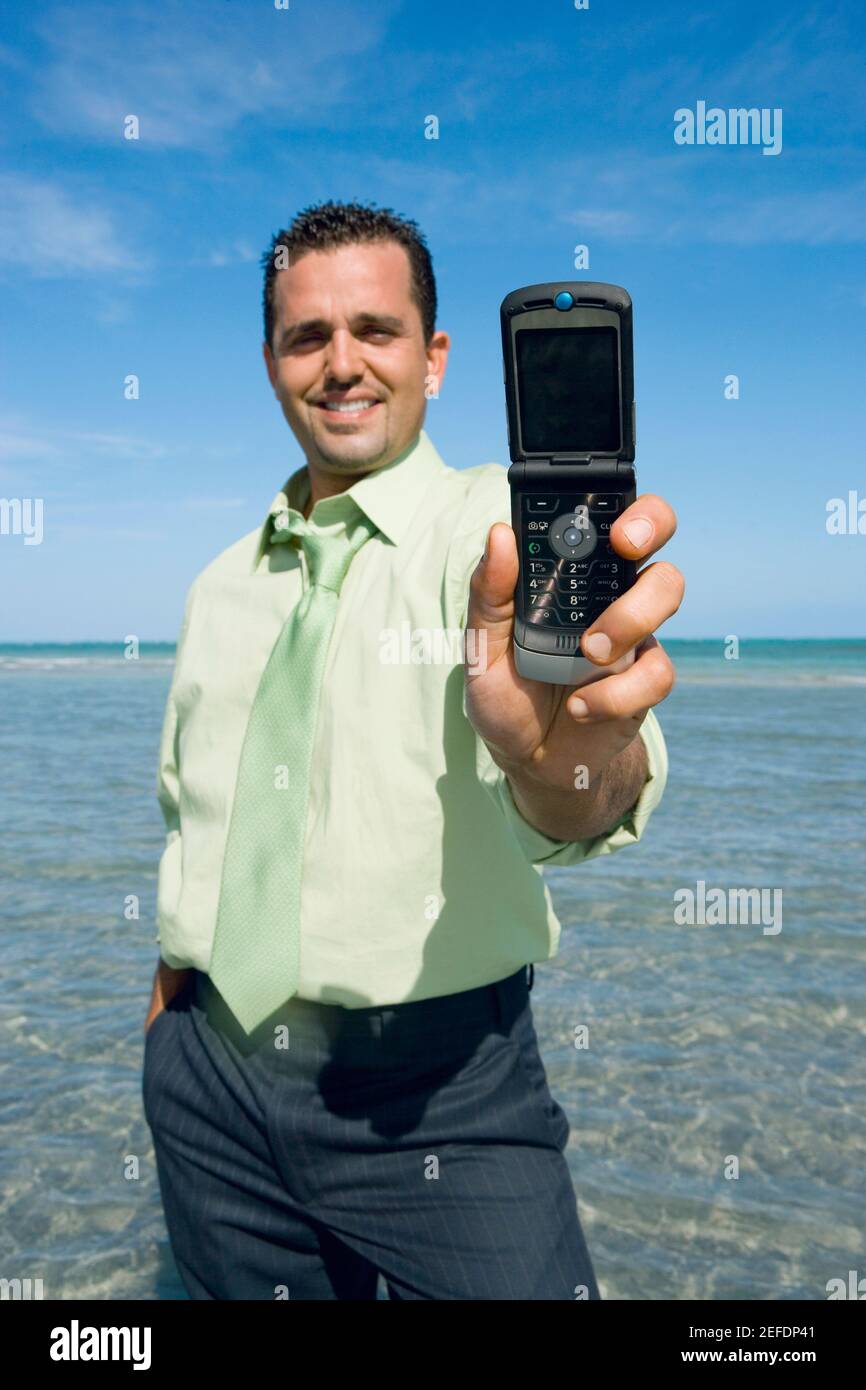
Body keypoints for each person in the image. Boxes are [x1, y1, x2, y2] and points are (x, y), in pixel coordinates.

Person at [142, 200, 683, 1301]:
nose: (341, 364)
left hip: (442, 1091)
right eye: (307, 337)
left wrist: (556, 761)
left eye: (375, 331)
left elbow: (593, 789)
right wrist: (170, 1012)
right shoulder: (217, 586)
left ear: (433, 358)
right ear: (271, 364)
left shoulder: (494, 533)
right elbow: (191, 817)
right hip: (211, 1075)